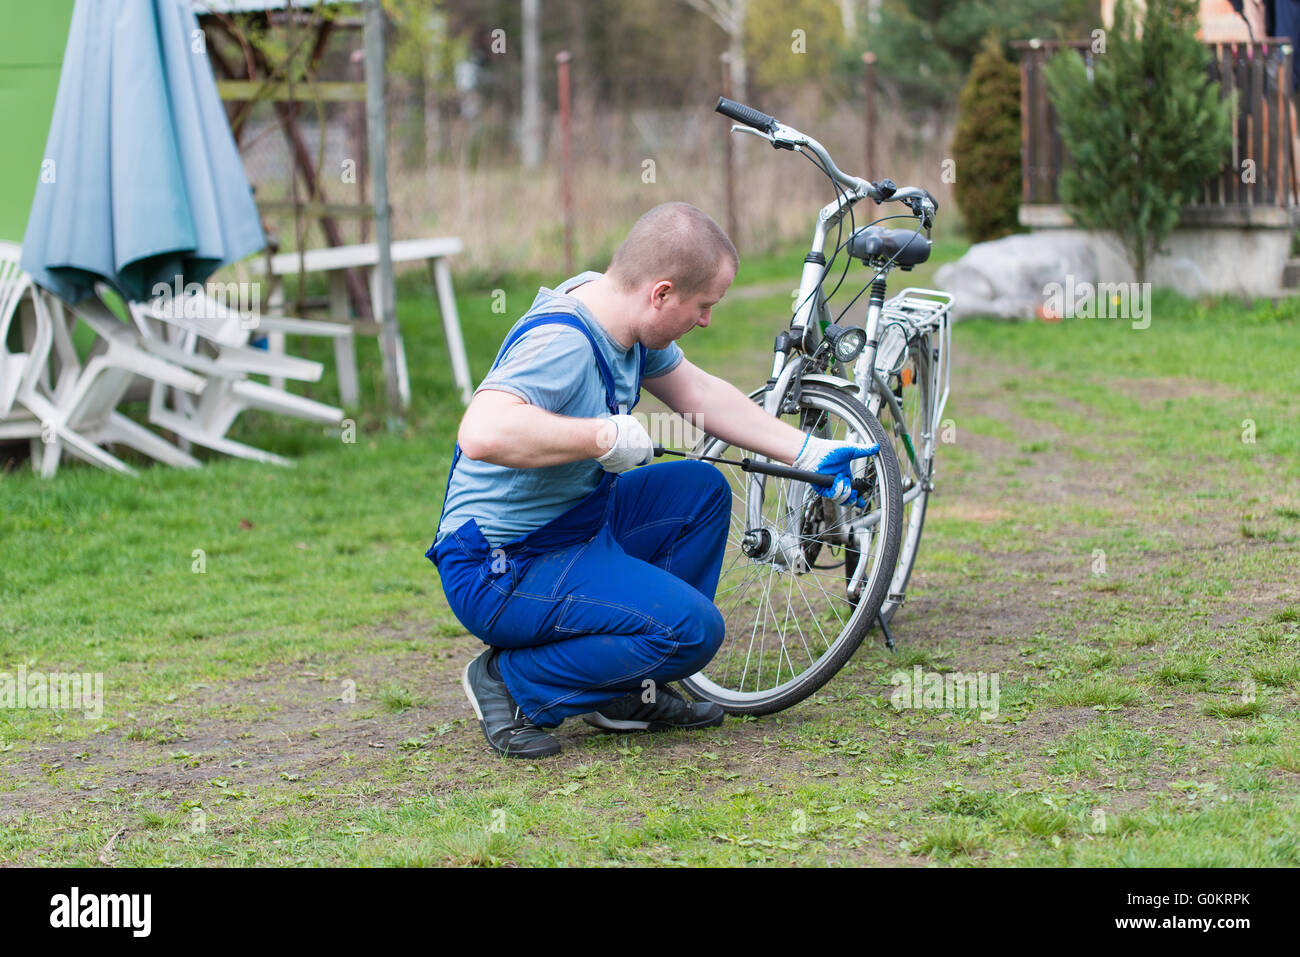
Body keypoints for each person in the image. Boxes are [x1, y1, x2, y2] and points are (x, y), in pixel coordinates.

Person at [427, 202, 878, 758]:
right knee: (693, 632)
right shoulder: (565, 343)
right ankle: (514, 684)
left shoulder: (623, 314)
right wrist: (601, 438)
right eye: (704, 304)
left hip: (572, 525)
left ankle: (624, 692)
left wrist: (806, 449)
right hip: (501, 566)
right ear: (660, 294)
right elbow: (482, 430)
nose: (707, 319)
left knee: (700, 491)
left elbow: (701, 395)